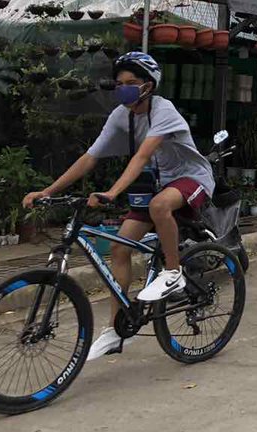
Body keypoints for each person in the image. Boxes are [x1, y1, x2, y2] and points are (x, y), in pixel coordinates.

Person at [22, 52, 217, 360]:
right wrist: (47, 190)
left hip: (191, 179)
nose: (123, 88)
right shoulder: (120, 116)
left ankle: (173, 271)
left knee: (158, 206)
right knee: (119, 248)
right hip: (156, 185)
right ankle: (114, 330)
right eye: (119, 83)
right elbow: (90, 157)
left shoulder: (163, 110)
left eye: (131, 83)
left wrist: (112, 192)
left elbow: (141, 157)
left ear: (149, 86)